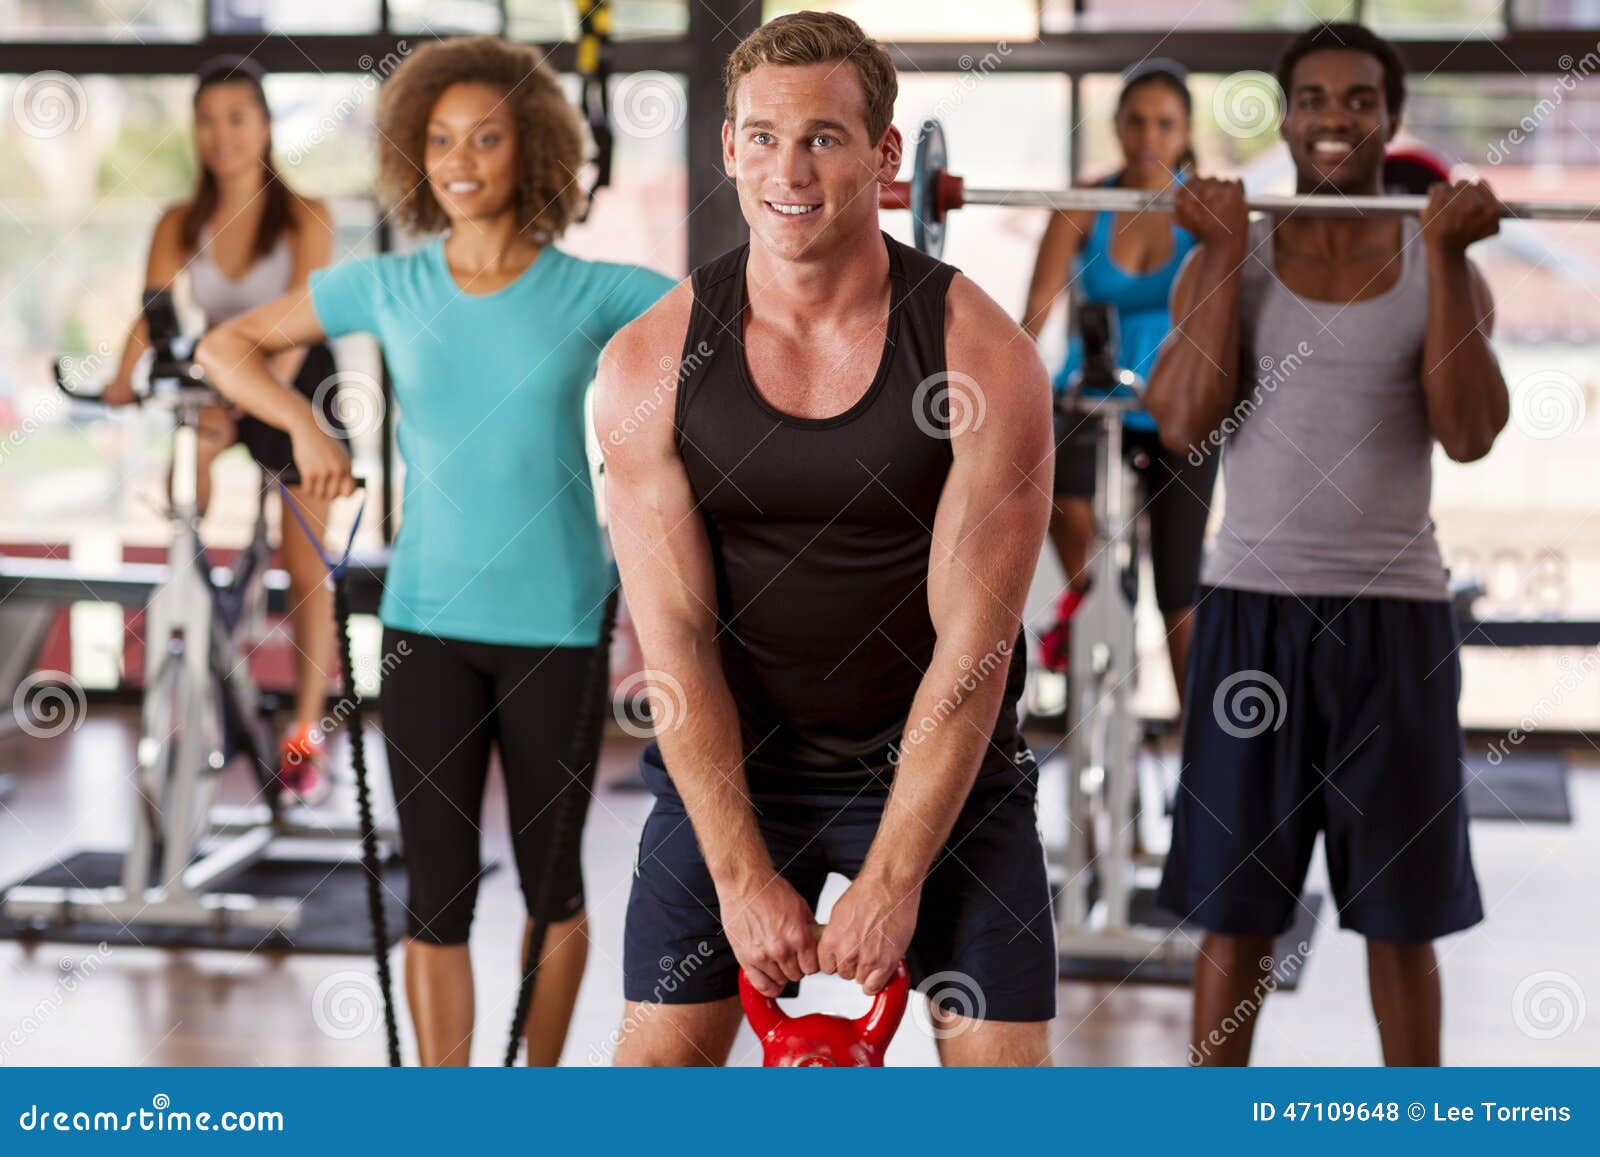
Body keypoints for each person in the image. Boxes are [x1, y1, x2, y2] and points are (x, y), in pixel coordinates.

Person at [195, 36, 673, 1066]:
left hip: (557, 620)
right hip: (424, 626)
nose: (461, 160)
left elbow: (740, 323)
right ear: (417, 154)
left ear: (532, 149)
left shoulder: (589, 291)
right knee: (437, 890)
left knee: (556, 888)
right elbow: (222, 347)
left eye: (487, 137)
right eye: (441, 139)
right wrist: (306, 427)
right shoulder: (390, 284)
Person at [595, 10, 1057, 1067]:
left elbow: (973, 653)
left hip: (947, 773)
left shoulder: (982, 358)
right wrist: (741, 875)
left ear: (884, 154)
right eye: (760, 136)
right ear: (727, 148)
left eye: (823, 137)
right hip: (734, 770)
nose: (786, 169)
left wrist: (895, 876)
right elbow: (674, 645)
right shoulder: (647, 365)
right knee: (647, 1083)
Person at [1147, 22, 1506, 1066]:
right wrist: (1214, 254)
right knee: (1236, 912)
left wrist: (1443, 259)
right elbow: (1180, 420)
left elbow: (1471, 433)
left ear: (1389, 116)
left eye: (1359, 99)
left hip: (1395, 615)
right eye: (1314, 99)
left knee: (1404, 918)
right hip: (1251, 607)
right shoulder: (1238, 247)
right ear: (1287, 115)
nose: (1336, 117)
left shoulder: (1436, 254)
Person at [104, 55, 342, 801]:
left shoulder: (306, 213)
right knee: (187, 481)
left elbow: (301, 323)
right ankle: (199, 628)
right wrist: (120, 377)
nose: (221, 135)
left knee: (305, 567)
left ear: (265, 127)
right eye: (208, 120)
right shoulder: (181, 221)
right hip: (219, 379)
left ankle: (306, 732)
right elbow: (156, 315)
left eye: (237, 119)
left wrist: (251, 387)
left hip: (298, 382)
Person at [1023, 59, 1216, 706]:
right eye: (1135, 122)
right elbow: (1032, 321)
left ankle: (1201, 764)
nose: (1147, 138)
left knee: (1180, 590)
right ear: (1116, 127)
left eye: (1164, 124)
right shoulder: (1085, 205)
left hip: (1178, 410)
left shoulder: (1205, 213)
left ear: (1185, 132)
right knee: (1056, 492)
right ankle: (1094, 606)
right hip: (1092, 396)